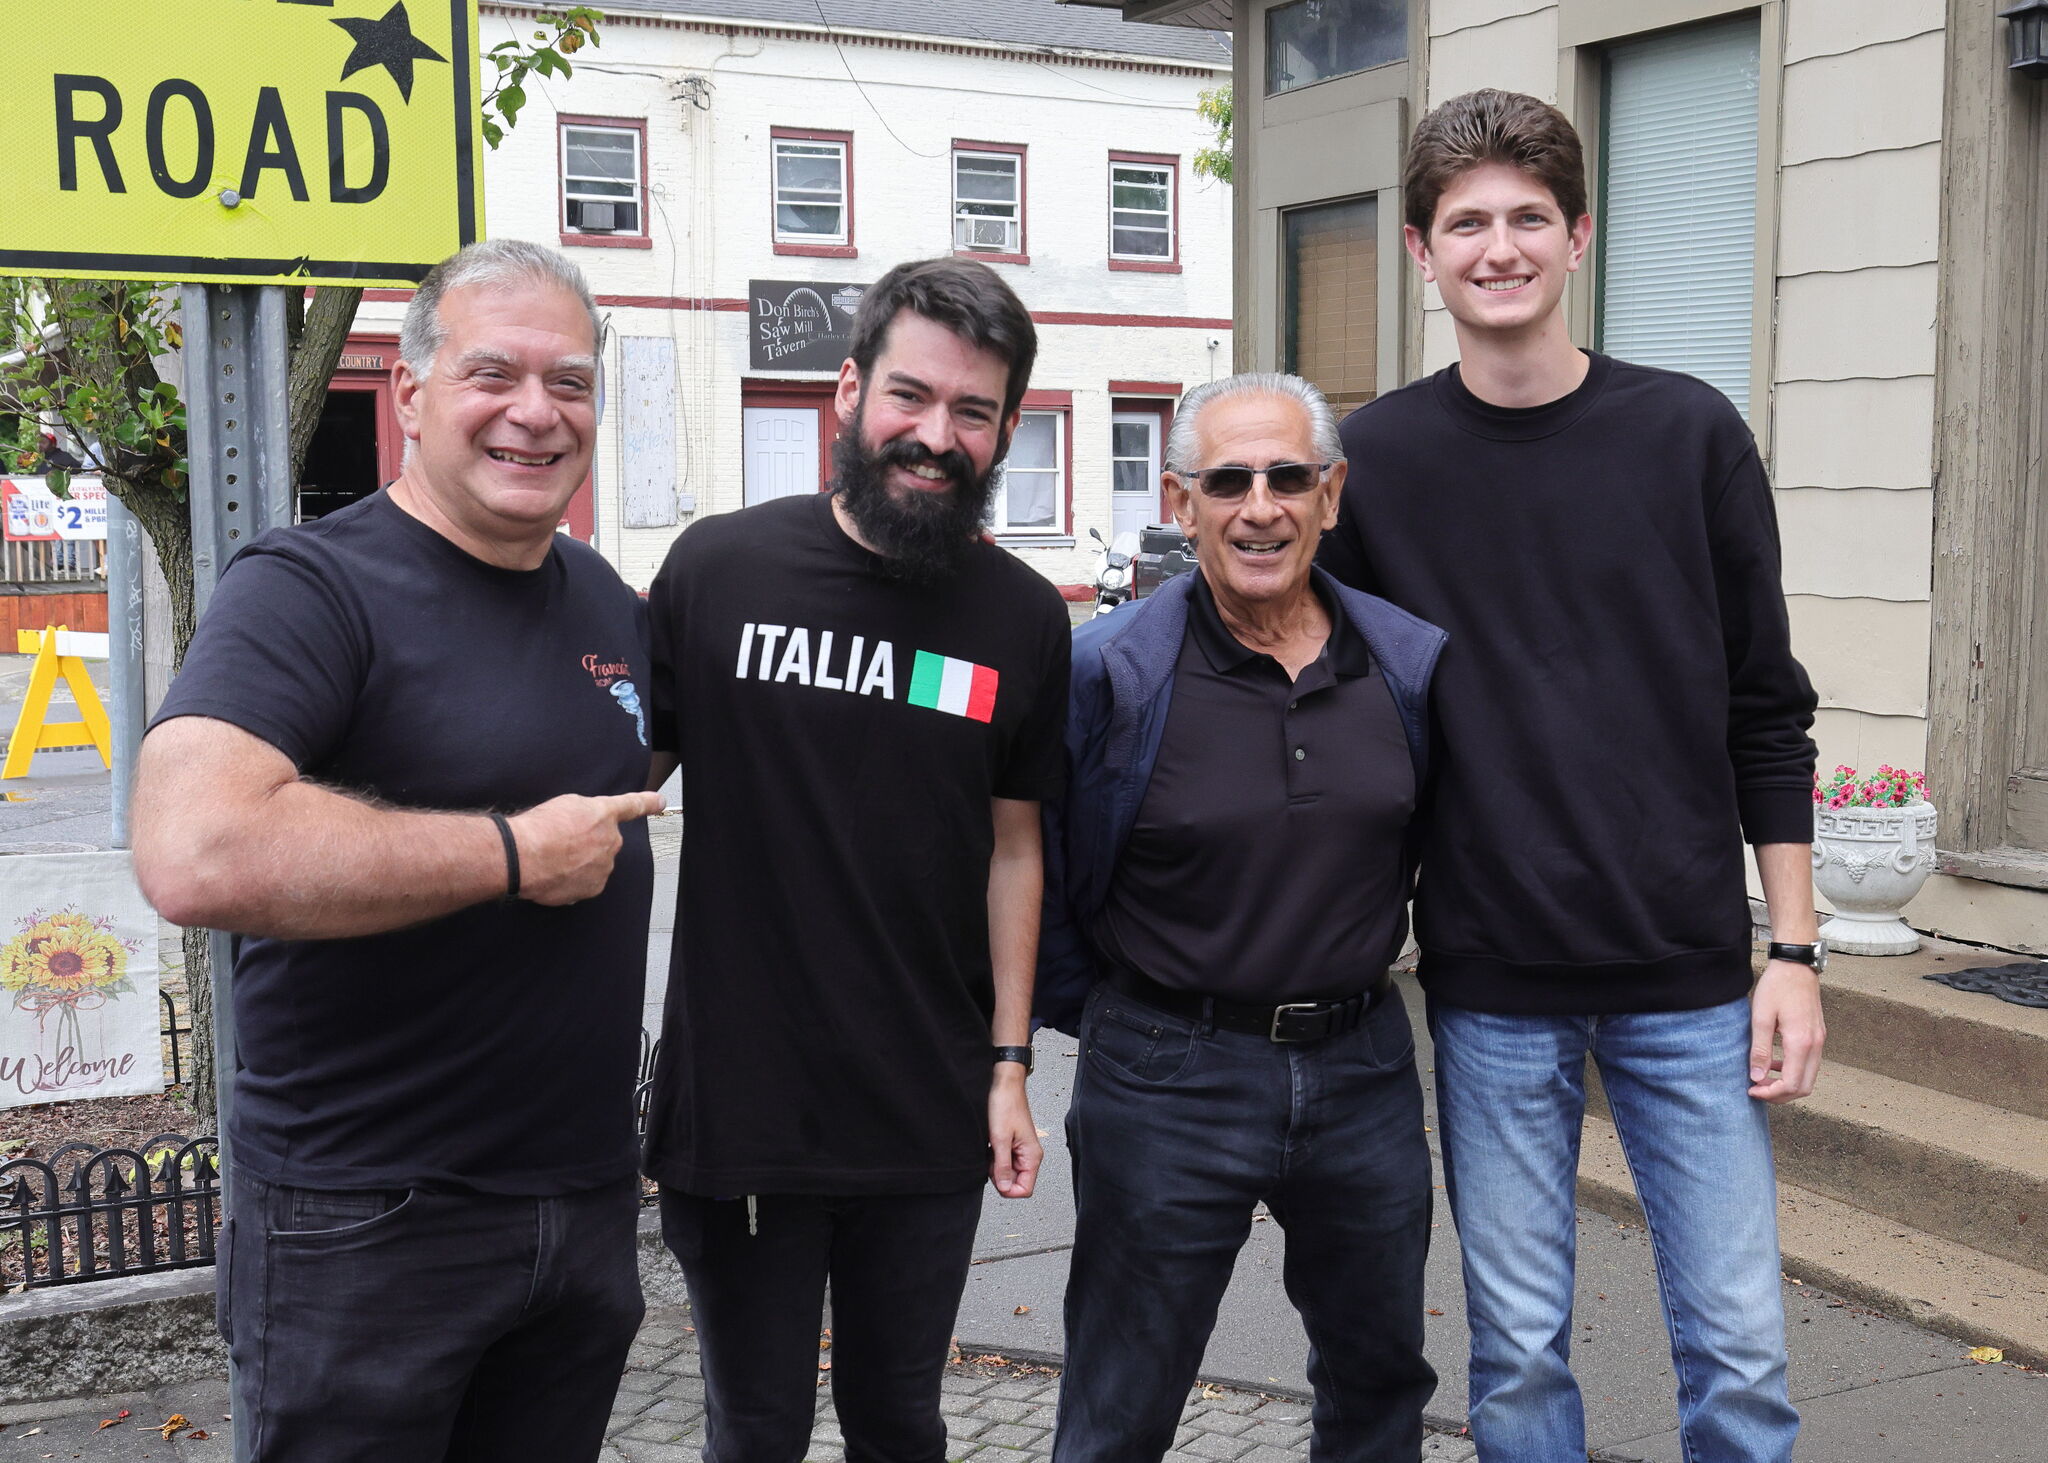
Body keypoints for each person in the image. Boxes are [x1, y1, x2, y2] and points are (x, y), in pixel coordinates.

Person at [1317, 89, 1824, 1463]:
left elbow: (1768, 709)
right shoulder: (1373, 470)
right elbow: (1324, 704)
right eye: (1466, 221)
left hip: (1688, 974)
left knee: (1740, 1347)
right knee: (1522, 1353)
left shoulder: (1688, 435)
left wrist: (1793, 948)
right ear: (1420, 250)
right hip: (1492, 980)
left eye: (1528, 216)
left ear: (1579, 234)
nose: (1500, 245)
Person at [131, 240, 660, 1462]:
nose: (536, 411)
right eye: (494, 373)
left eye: (570, 381)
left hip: (576, 1205)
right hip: (364, 1218)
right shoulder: (311, 587)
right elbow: (194, 849)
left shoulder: (606, 602)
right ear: (413, 394)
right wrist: (508, 854)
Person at [640, 256, 1071, 1463]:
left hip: (926, 1109)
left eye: (971, 411)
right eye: (909, 397)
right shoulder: (717, 572)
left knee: (900, 1423)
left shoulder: (1023, 619)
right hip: (742, 1109)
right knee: (756, 1429)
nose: (934, 437)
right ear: (846, 391)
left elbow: (1014, 846)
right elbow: (614, 794)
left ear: (1004, 428)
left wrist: (1007, 1065)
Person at [1037, 372, 1445, 1462]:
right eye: (1227, 480)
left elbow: (1432, 847)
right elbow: (1044, 867)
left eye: (1285, 477)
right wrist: (1124, 1021)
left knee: (1376, 1383)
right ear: (1181, 503)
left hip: (1358, 1066)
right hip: (1166, 1072)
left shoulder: (1407, 665)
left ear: (1330, 493)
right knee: (1121, 1397)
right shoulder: (1107, 672)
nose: (1257, 504)